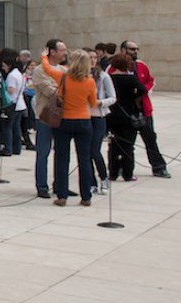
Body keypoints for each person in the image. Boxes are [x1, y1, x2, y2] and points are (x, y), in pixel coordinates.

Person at [40, 48, 97, 206]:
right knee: (84, 159)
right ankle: (86, 197)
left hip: (64, 120)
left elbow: (47, 68)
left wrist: (44, 55)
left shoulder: (63, 77)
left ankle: (62, 195)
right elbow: (92, 103)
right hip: (84, 121)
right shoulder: (90, 81)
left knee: (62, 158)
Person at [114, 40, 170, 178]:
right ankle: (121, 167)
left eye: (136, 49)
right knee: (124, 141)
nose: (135, 51)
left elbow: (150, 81)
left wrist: (144, 91)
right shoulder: (113, 67)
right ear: (123, 50)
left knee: (150, 138)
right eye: (132, 49)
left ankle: (158, 167)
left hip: (143, 110)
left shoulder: (141, 65)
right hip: (125, 112)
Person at [106, 53, 147, 183]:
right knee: (128, 145)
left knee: (113, 145)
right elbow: (142, 90)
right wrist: (134, 97)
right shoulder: (131, 79)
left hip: (112, 115)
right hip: (128, 115)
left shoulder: (109, 78)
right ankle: (128, 173)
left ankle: (113, 173)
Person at [32, 39, 66, 198]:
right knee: (43, 152)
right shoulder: (40, 70)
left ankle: (60, 184)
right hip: (45, 116)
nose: (64, 53)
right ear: (52, 52)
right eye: (61, 50)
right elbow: (51, 92)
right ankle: (41, 185)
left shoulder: (62, 69)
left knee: (61, 152)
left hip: (62, 115)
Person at [87, 49, 116, 195]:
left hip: (98, 116)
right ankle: (90, 182)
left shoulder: (103, 76)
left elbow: (112, 98)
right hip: (84, 116)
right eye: (89, 57)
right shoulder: (80, 77)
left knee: (94, 150)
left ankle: (103, 178)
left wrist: (100, 102)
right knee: (85, 152)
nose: (92, 60)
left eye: (94, 57)